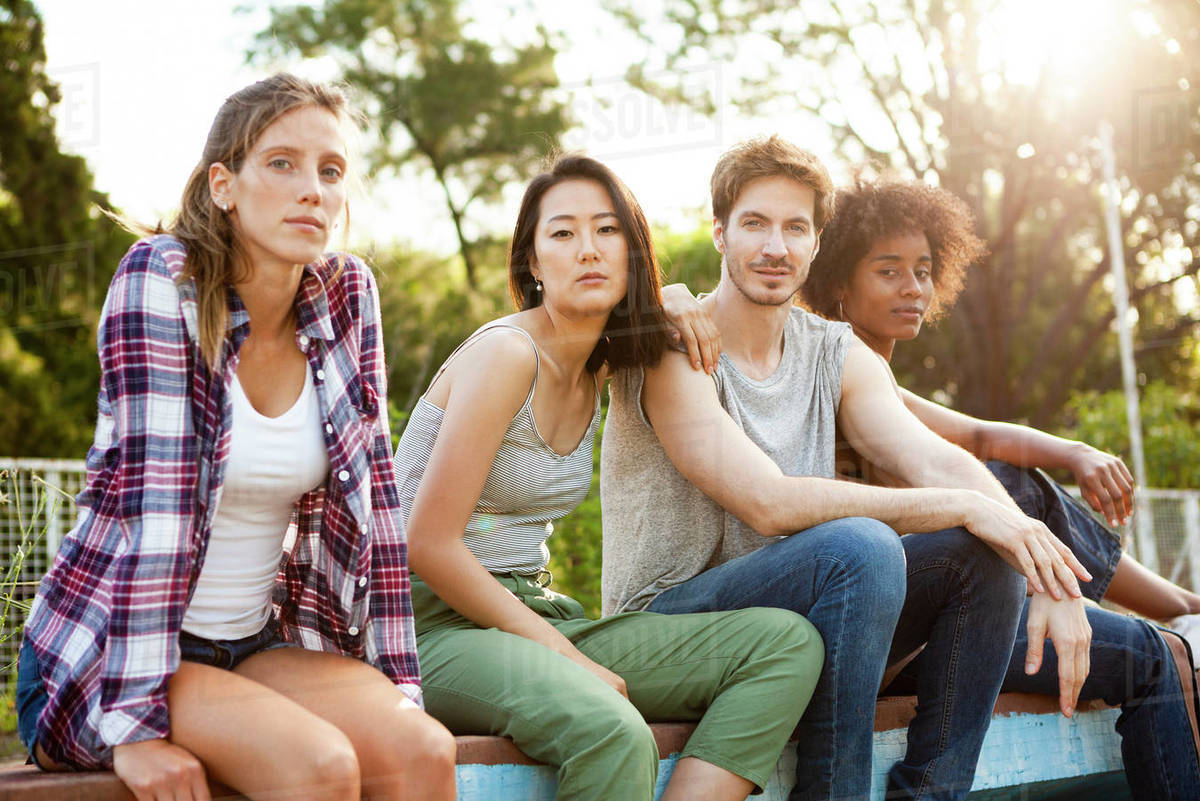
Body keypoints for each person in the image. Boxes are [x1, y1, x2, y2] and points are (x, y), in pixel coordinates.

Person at [601, 135, 1093, 801]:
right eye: (754, 223)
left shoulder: (834, 351)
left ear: (816, 240)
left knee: (981, 553)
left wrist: (1044, 565)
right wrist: (969, 507)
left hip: (797, 610)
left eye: (795, 227)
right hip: (668, 624)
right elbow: (767, 504)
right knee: (860, 544)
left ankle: (930, 793)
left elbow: (931, 455)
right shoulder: (674, 344)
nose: (775, 247)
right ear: (719, 232)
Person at [15, 74, 455, 801]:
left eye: (330, 170)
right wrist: (136, 727)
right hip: (106, 654)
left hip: (254, 644)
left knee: (423, 752)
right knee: (320, 768)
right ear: (224, 183)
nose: (310, 188)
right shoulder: (162, 280)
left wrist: (391, 686)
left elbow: (376, 507)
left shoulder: (348, 298)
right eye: (281, 163)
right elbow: (155, 509)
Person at [392, 154, 824, 801]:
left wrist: (674, 299)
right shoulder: (507, 355)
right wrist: (569, 656)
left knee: (785, 644)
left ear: (632, 250)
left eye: (607, 230)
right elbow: (427, 543)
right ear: (533, 263)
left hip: (527, 612)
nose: (588, 250)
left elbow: (670, 308)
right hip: (425, 624)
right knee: (612, 731)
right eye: (562, 234)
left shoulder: (601, 364)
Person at [798, 171, 1200, 800]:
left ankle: (1179, 605)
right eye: (889, 270)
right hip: (900, 632)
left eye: (925, 270)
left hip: (931, 611)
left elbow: (982, 438)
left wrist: (1076, 451)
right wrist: (1045, 575)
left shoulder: (872, 376)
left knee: (1013, 476)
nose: (914, 287)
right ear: (837, 286)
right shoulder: (840, 368)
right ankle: (1173, 613)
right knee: (1157, 658)